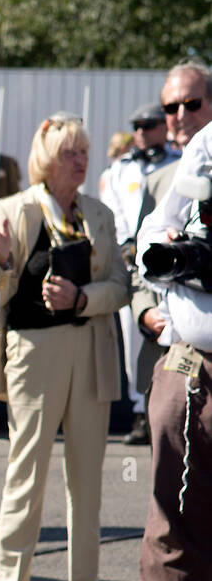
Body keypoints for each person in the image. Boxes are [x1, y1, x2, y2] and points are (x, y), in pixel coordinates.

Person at [74, 116, 212, 581]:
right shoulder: (208, 145)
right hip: (191, 365)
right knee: (171, 527)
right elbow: (160, 224)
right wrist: (177, 254)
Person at [0, 113, 130, 581]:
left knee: (87, 479)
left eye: (85, 150)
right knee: (26, 472)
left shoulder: (100, 213)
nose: (81, 159)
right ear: (48, 157)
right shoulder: (12, 210)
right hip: (32, 353)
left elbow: (122, 286)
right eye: (71, 151)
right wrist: (2, 263)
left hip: (90, 350)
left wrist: (83, 296)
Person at [131, 63, 212, 408]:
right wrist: (145, 313)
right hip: (178, 349)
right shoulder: (157, 179)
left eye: (192, 104)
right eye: (170, 107)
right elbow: (140, 256)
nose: (180, 115)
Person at [101, 103, 180, 446]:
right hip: (133, 261)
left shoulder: (179, 162)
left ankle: (171, 403)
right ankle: (140, 409)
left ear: (164, 127)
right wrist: (126, 244)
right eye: (137, 126)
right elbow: (113, 208)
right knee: (136, 334)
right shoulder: (121, 169)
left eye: (149, 124)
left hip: (172, 258)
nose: (142, 131)